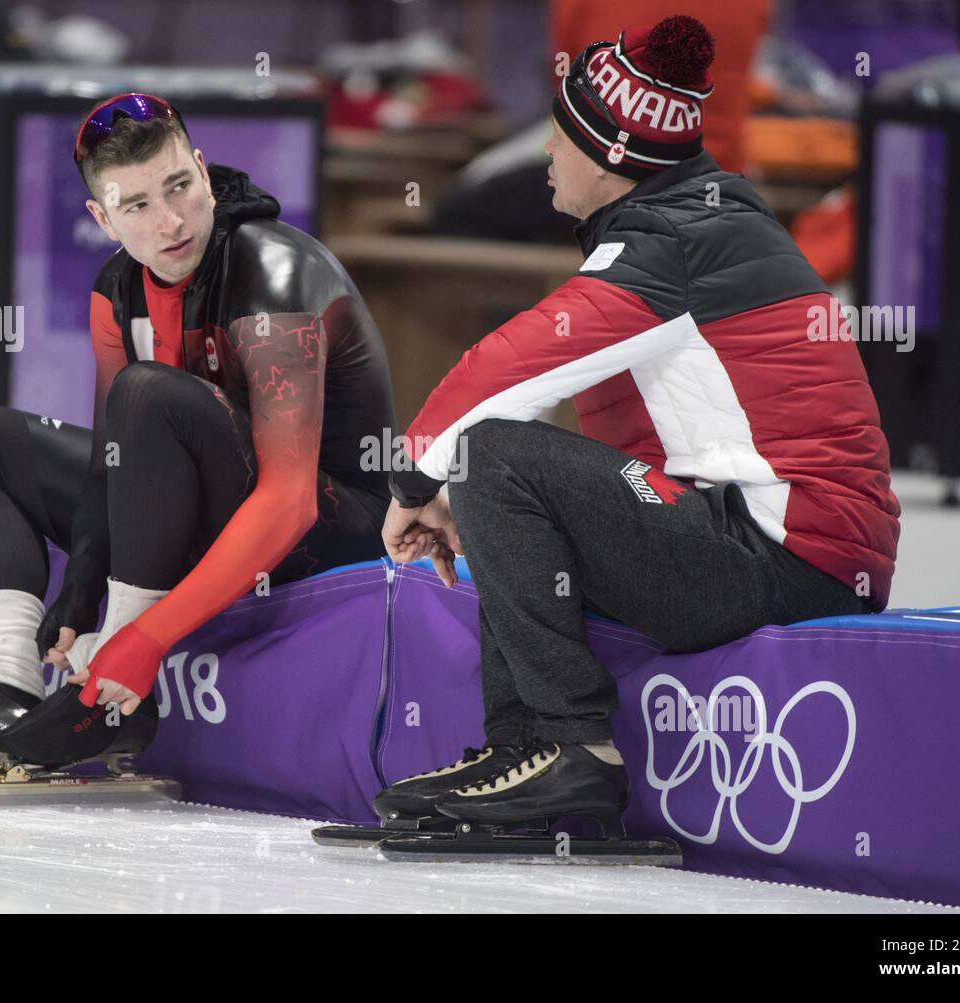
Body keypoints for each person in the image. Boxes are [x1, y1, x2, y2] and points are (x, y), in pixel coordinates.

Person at [372, 17, 901, 837]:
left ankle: (568, 751)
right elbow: (620, 454)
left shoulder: (672, 242)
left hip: (788, 554)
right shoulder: (703, 219)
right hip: (789, 543)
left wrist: (414, 482)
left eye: (561, 134)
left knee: (490, 454)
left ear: (612, 155)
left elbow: (504, 371)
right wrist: (473, 504)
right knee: (500, 471)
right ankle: (520, 747)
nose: (544, 150)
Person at [0, 93, 395, 770]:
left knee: (148, 396)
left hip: (331, 526)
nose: (170, 221)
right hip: (218, 497)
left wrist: (140, 638)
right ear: (103, 219)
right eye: (137, 205)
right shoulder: (115, 289)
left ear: (203, 171)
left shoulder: (274, 272)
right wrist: (81, 587)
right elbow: (109, 465)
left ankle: (117, 698)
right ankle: (3, 678)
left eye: (179, 187)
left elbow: (289, 499)